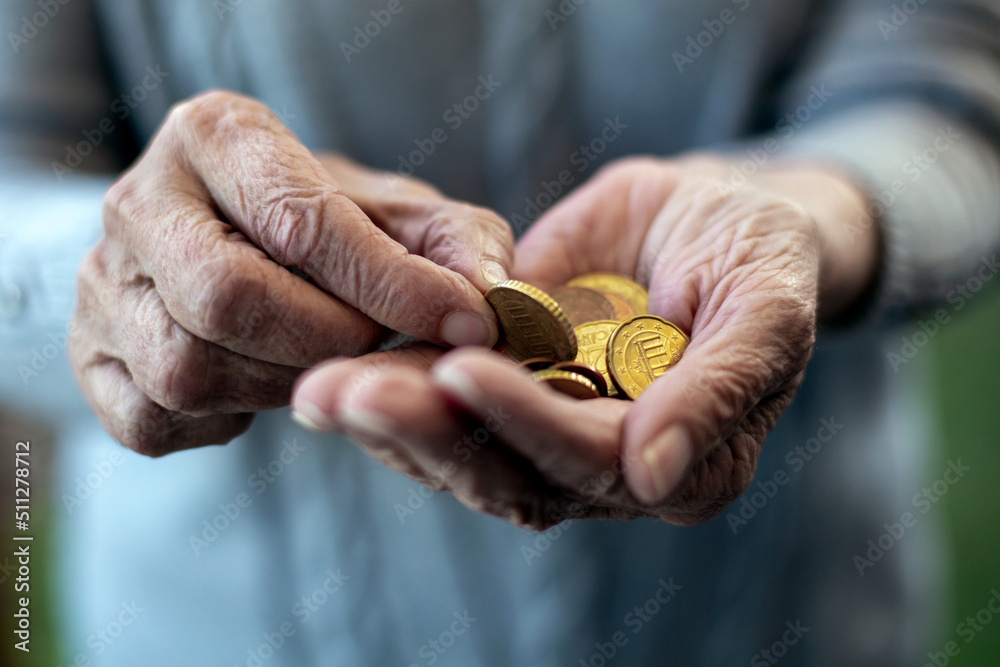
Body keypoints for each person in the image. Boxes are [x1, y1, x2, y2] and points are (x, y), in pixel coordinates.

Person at [2, 0, 998, 664]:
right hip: (211, 631)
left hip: (789, 615)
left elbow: (948, 72)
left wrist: (815, 215)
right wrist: (113, 278)